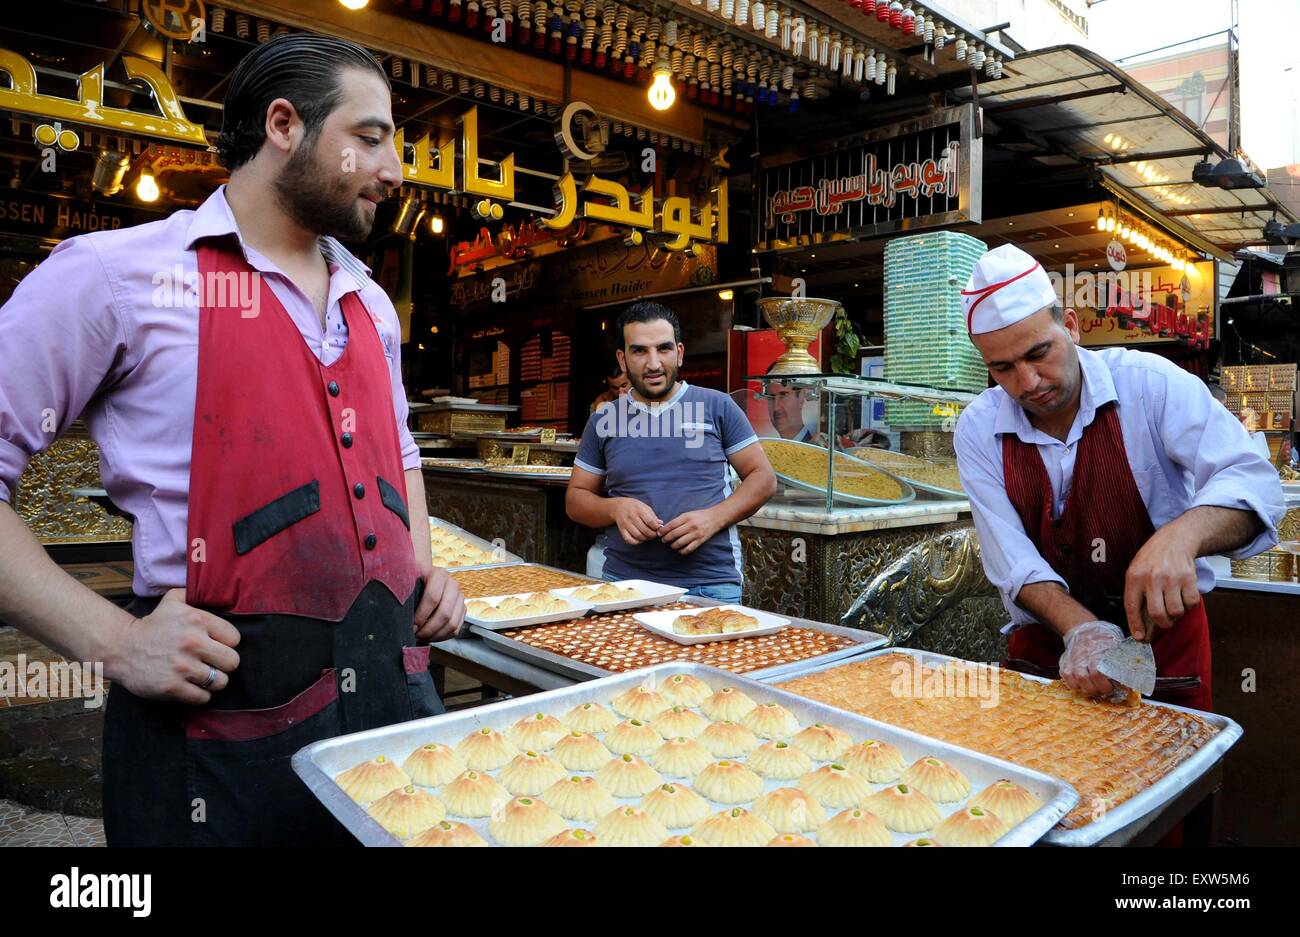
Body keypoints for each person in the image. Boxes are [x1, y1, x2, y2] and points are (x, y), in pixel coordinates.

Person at [0, 35, 465, 845]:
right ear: (284, 125)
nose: (395, 171)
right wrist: (114, 642)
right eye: (369, 137)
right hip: (216, 743)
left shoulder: (372, 304)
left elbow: (401, 454)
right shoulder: (117, 276)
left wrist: (423, 570)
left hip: (389, 716)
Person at [953, 244, 1283, 711]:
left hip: (1164, 646)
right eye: (1002, 368)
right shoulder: (977, 428)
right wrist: (1082, 631)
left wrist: (1183, 535)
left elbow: (1253, 479)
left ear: (1070, 326)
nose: (1027, 382)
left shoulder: (1148, 385)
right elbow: (1013, 562)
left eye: (1038, 353)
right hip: (1052, 649)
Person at [566, 302, 777, 601]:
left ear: (678, 352)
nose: (653, 364)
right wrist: (615, 508)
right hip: (625, 584)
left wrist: (713, 518)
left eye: (663, 349)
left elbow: (763, 478)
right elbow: (576, 499)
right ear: (622, 359)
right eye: (639, 351)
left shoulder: (717, 406)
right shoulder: (604, 419)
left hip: (710, 584)